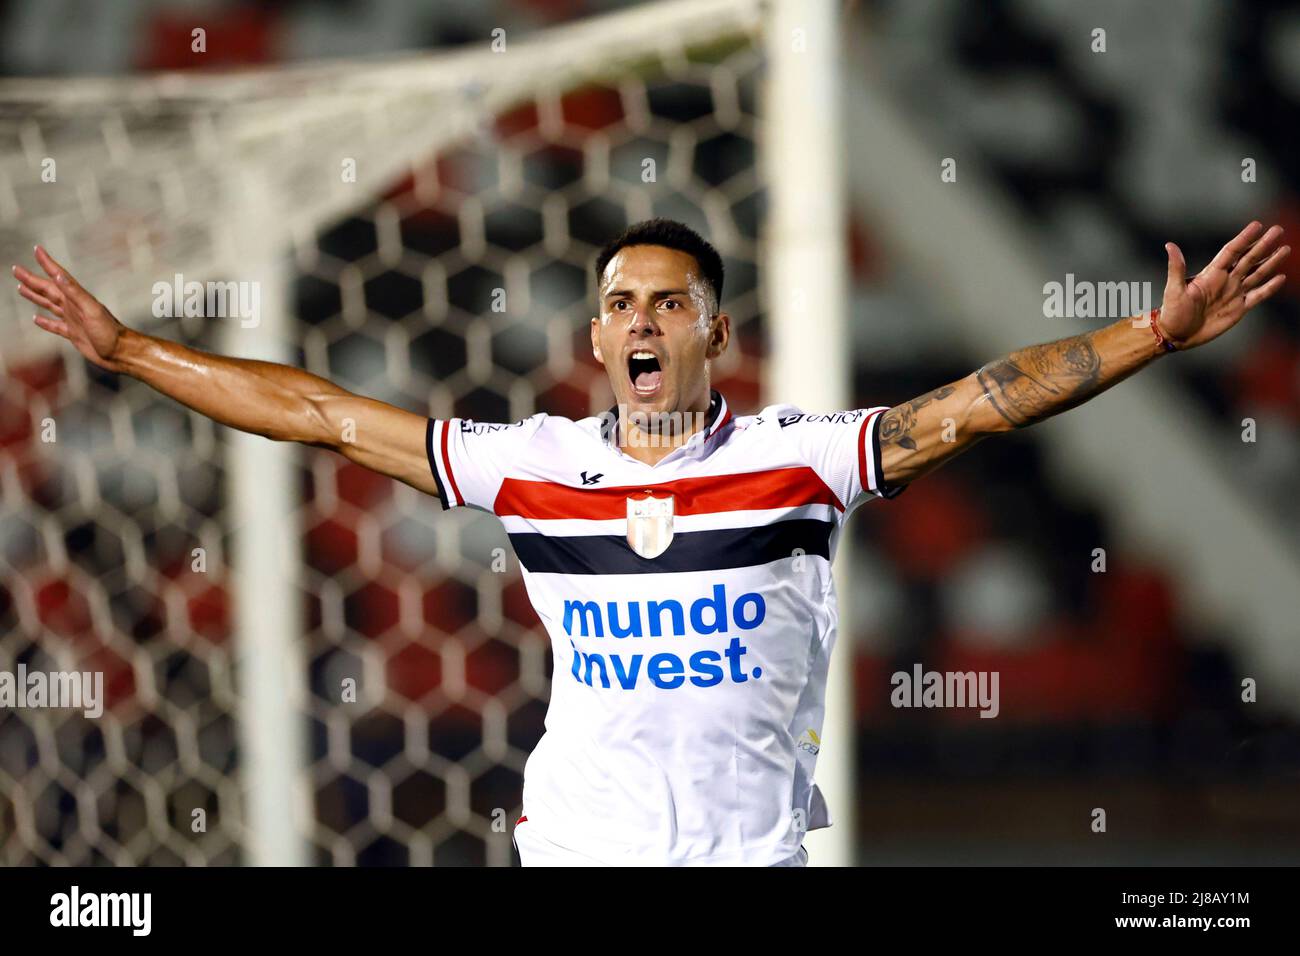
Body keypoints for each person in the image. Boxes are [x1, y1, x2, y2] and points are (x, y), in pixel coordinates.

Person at [16, 216, 1288, 866]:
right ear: (598, 340)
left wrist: (1152, 337)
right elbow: (321, 413)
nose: (637, 319)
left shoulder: (798, 458)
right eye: (618, 302)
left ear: (712, 334)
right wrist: (129, 351)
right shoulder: (533, 466)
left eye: (666, 302)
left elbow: (977, 401)